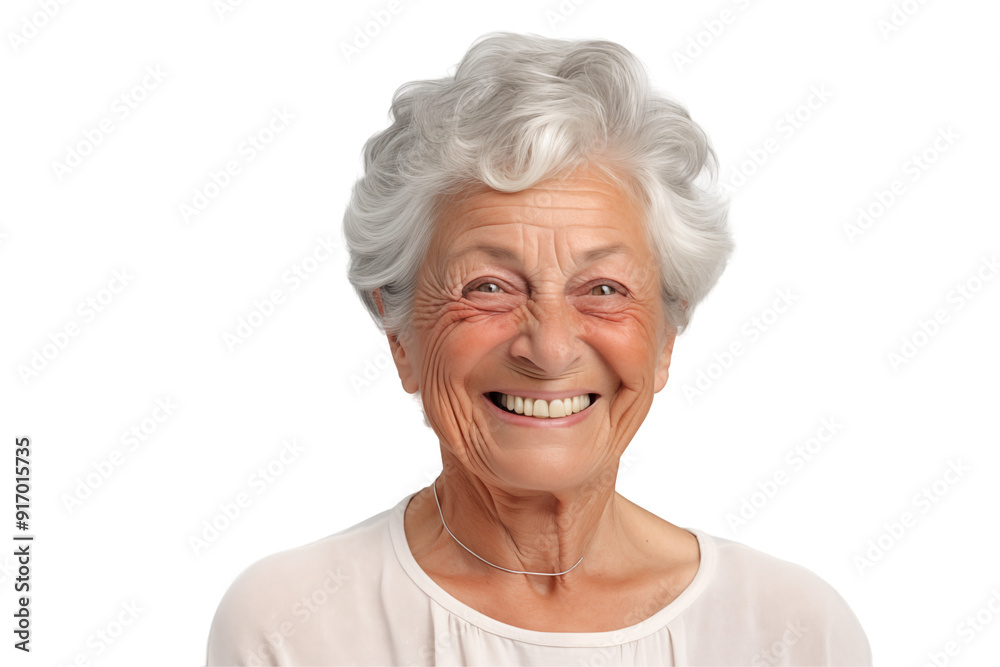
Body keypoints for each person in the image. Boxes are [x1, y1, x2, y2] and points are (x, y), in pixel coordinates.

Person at [206, 32, 871, 666]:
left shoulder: (793, 629)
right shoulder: (290, 625)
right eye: (489, 286)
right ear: (399, 332)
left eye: (604, 287)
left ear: (666, 337)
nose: (550, 349)